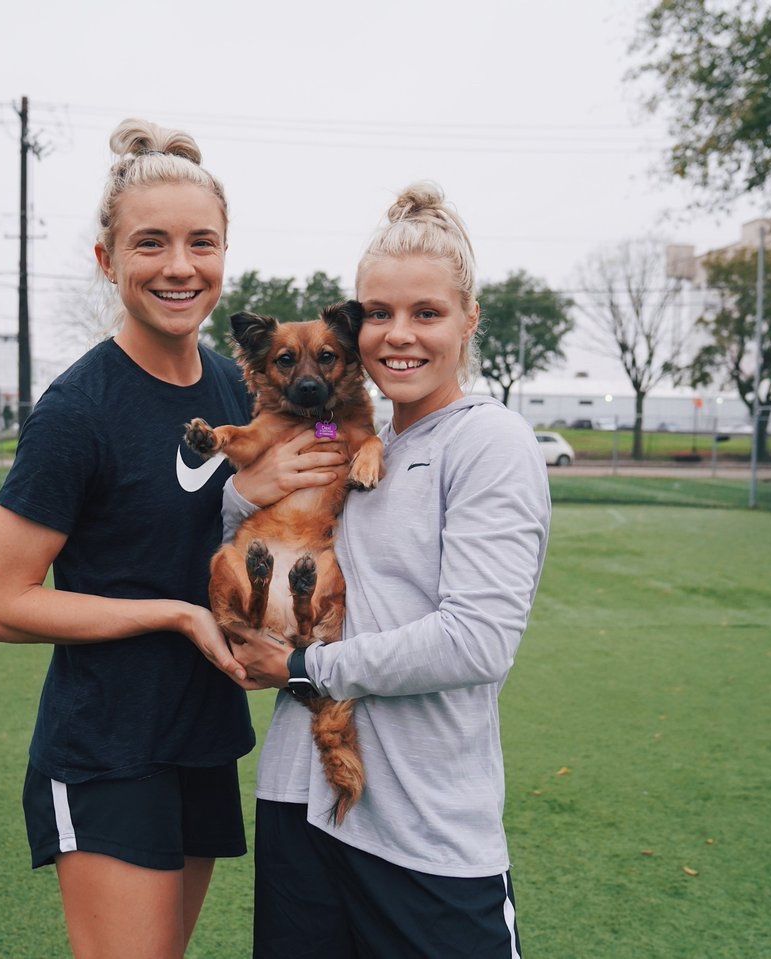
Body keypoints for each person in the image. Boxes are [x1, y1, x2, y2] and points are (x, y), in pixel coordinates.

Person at [0, 118, 344, 959]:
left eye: (200, 243)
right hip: (109, 745)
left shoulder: (234, 384)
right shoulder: (78, 411)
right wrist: (174, 616)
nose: (179, 266)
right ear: (107, 260)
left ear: (223, 256)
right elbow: (1, 605)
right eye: (151, 244)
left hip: (202, 734)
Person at [227, 183, 551, 958]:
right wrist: (241, 497)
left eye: (426, 313)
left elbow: (474, 641)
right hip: (297, 802)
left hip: (424, 826)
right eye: (378, 312)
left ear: (470, 318)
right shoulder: (334, 439)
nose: (398, 335)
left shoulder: (490, 443)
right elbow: (259, 548)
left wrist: (305, 665)